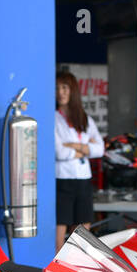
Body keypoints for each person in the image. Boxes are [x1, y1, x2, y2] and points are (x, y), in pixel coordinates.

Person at [55, 71, 104, 251]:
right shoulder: (53, 118)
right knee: (59, 228)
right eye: (57, 88)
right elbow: (59, 152)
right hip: (62, 180)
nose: (61, 92)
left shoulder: (85, 119)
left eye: (64, 87)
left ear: (73, 90)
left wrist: (75, 145)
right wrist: (85, 148)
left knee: (83, 230)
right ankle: (56, 268)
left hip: (83, 180)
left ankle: (75, 265)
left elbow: (100, 149)